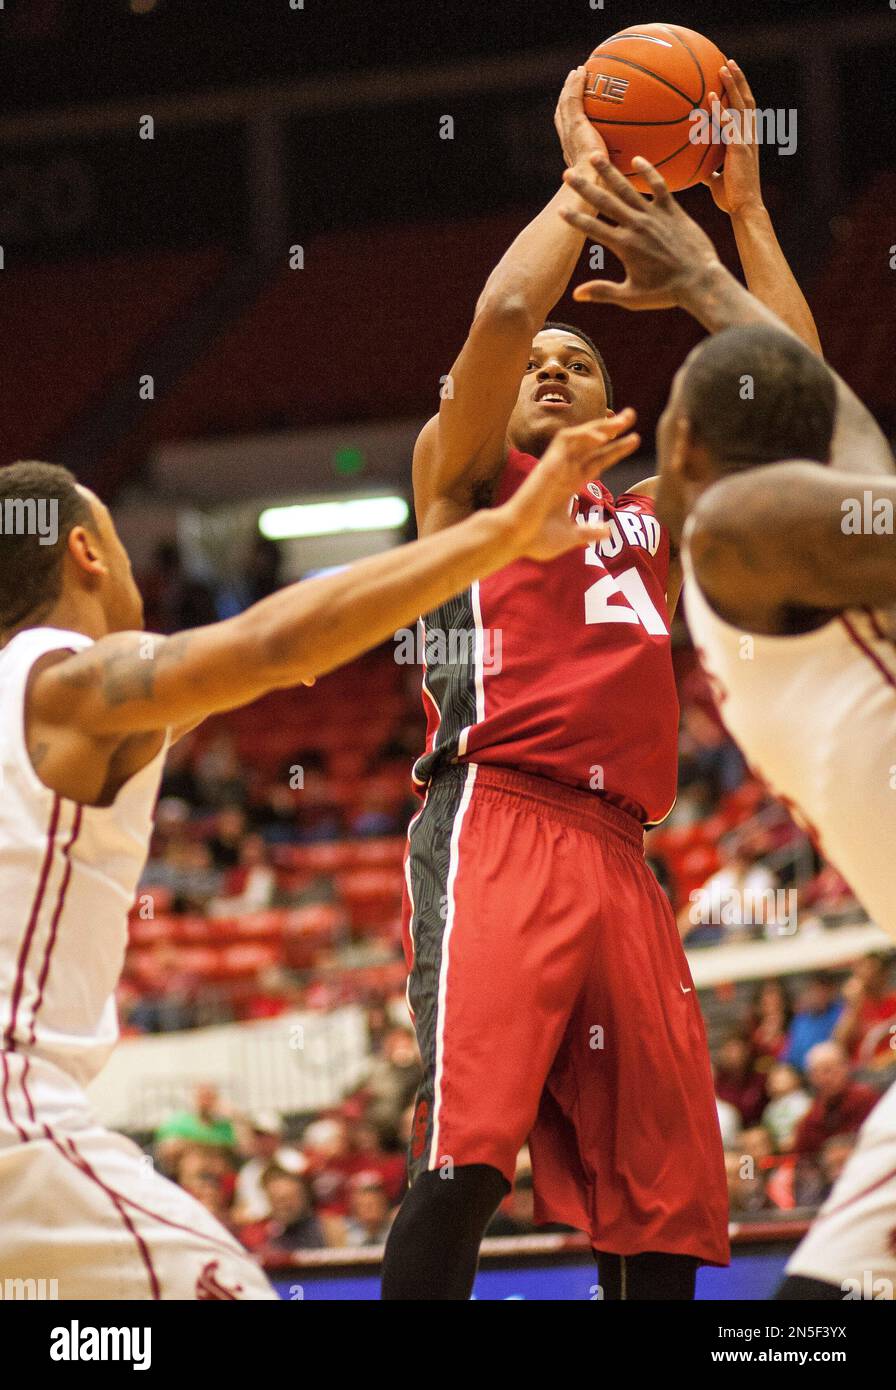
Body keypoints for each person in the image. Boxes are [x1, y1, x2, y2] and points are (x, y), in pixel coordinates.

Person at [0, 420, 618, 1300]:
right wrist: (500, 535)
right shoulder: (71, 679)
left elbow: (243, 678)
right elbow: (274, 648)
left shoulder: (51, 709)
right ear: (88, 552)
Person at [383, 61, 820, 1301]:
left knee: (667, 1199)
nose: (553, 364)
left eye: (581, 358)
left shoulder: (648, 515)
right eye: (540, 361)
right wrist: (584, 182)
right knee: (466, 1149)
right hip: (496, 817)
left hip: (622, 850)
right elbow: (498, 322)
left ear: (620, 404)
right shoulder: (461, 485)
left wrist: (739, 216)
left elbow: (791, 396)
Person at [561, 136, 896, 1299]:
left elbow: (814, 425)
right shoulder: (792, 513)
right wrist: (734, 226)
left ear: (682, 443)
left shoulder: (738, 523)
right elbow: (825, 407)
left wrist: (707, 272)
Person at [791, 1043, 879, 1158]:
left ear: (846, 1068)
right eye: (816, 1073)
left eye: (829, 1070)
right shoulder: (810, 1119)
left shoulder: (866, 1099)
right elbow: (803, 1159)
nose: (824, 1079)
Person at [785, 976, 844, 1074]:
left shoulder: (840, 1013)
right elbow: (789, 1054)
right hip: (798, 1073)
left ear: (832, 992)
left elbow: (838, 1043)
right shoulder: (800, 1019)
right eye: (815, 990)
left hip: (826, 1072)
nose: (818, 995)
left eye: (823, 991)